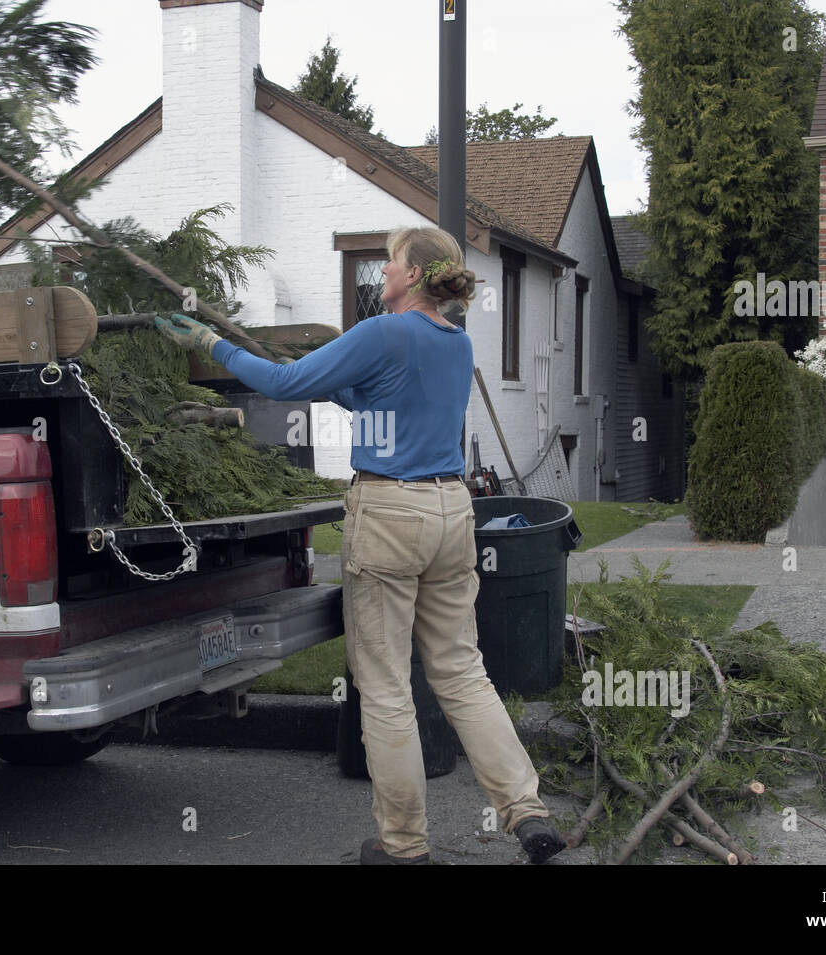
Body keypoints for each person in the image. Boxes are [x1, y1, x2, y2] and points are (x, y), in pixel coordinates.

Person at [154, 226, 564, 865]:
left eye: (391, 263)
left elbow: (285, 383)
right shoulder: (456, 342)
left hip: (391, 512)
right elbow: (368, 396)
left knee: (387, 687)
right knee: (461, 672)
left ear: (412, 275)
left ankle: (403, 847)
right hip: (452, 509)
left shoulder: (383, 332)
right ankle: (527, 813)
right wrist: (329, 378)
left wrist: (214, 344)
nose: (383, 274)